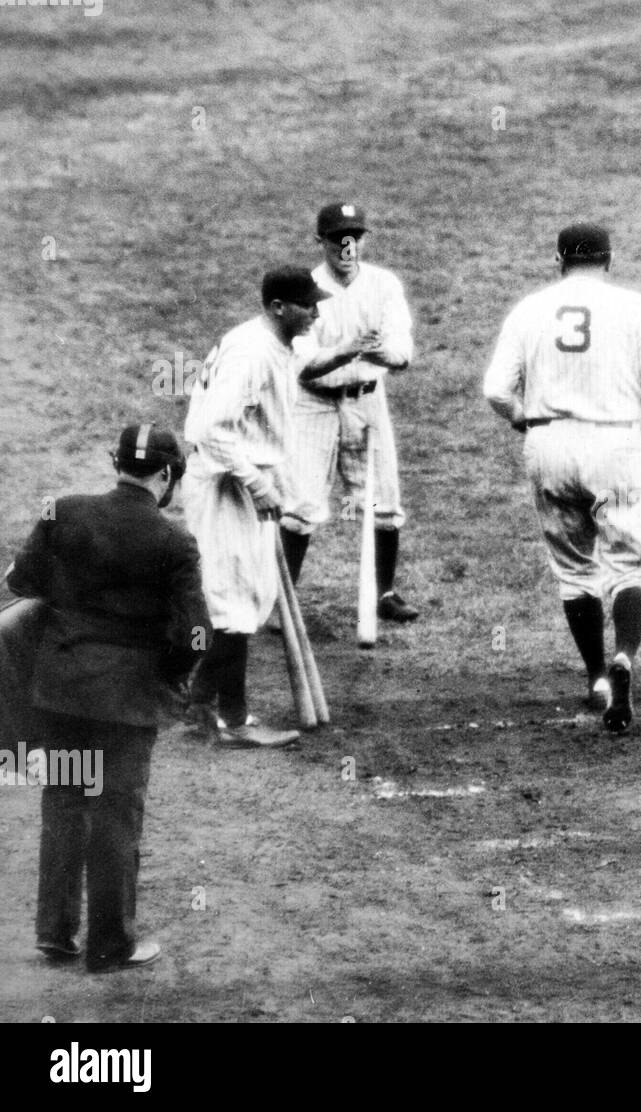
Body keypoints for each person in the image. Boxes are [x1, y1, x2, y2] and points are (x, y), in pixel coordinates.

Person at [6, 424, 208, 972]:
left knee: (67, 802)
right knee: (117, 817)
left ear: (113, 460)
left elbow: (22, 581)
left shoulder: (62, 511)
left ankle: (54, 932)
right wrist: (171, 676)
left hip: (61, 692)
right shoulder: (175, 541)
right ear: (166, 476)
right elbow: (193, 634)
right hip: (126, 700)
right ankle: (110, 945)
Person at [483, 223, 641, 732]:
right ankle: (625, 656)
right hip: (616, 443)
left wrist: (521, 418)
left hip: (548, 444)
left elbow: (495, 389)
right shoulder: (632, 307)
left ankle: (597, 677)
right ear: (609, 260)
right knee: (634, 566)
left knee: (575, 570)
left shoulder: (529, 309)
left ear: (559, 259)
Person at [184, 266, 330, 748]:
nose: (316, 312)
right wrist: (255, 482)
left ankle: (202, 702)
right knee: (235, 601)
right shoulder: (251, 352)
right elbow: (211, 430)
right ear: (278, 308)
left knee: (245, 596)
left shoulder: (273, 340)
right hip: (226, 483)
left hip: (242, 479)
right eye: (308, 305)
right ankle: (233, 719)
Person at [279, 202, 420, 623]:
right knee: (301, 505)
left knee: (385, 504)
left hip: (367, 401)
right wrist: (350, 349)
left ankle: (386, 594)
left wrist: (376, 350)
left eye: (354, 237)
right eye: (338, 238)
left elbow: (402, 353)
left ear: (363, 240)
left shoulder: (383, 285)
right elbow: (305, 367)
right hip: (314, 405)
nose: (347, 246)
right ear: (319, 241)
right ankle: (282, 603)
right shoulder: (306, 290)